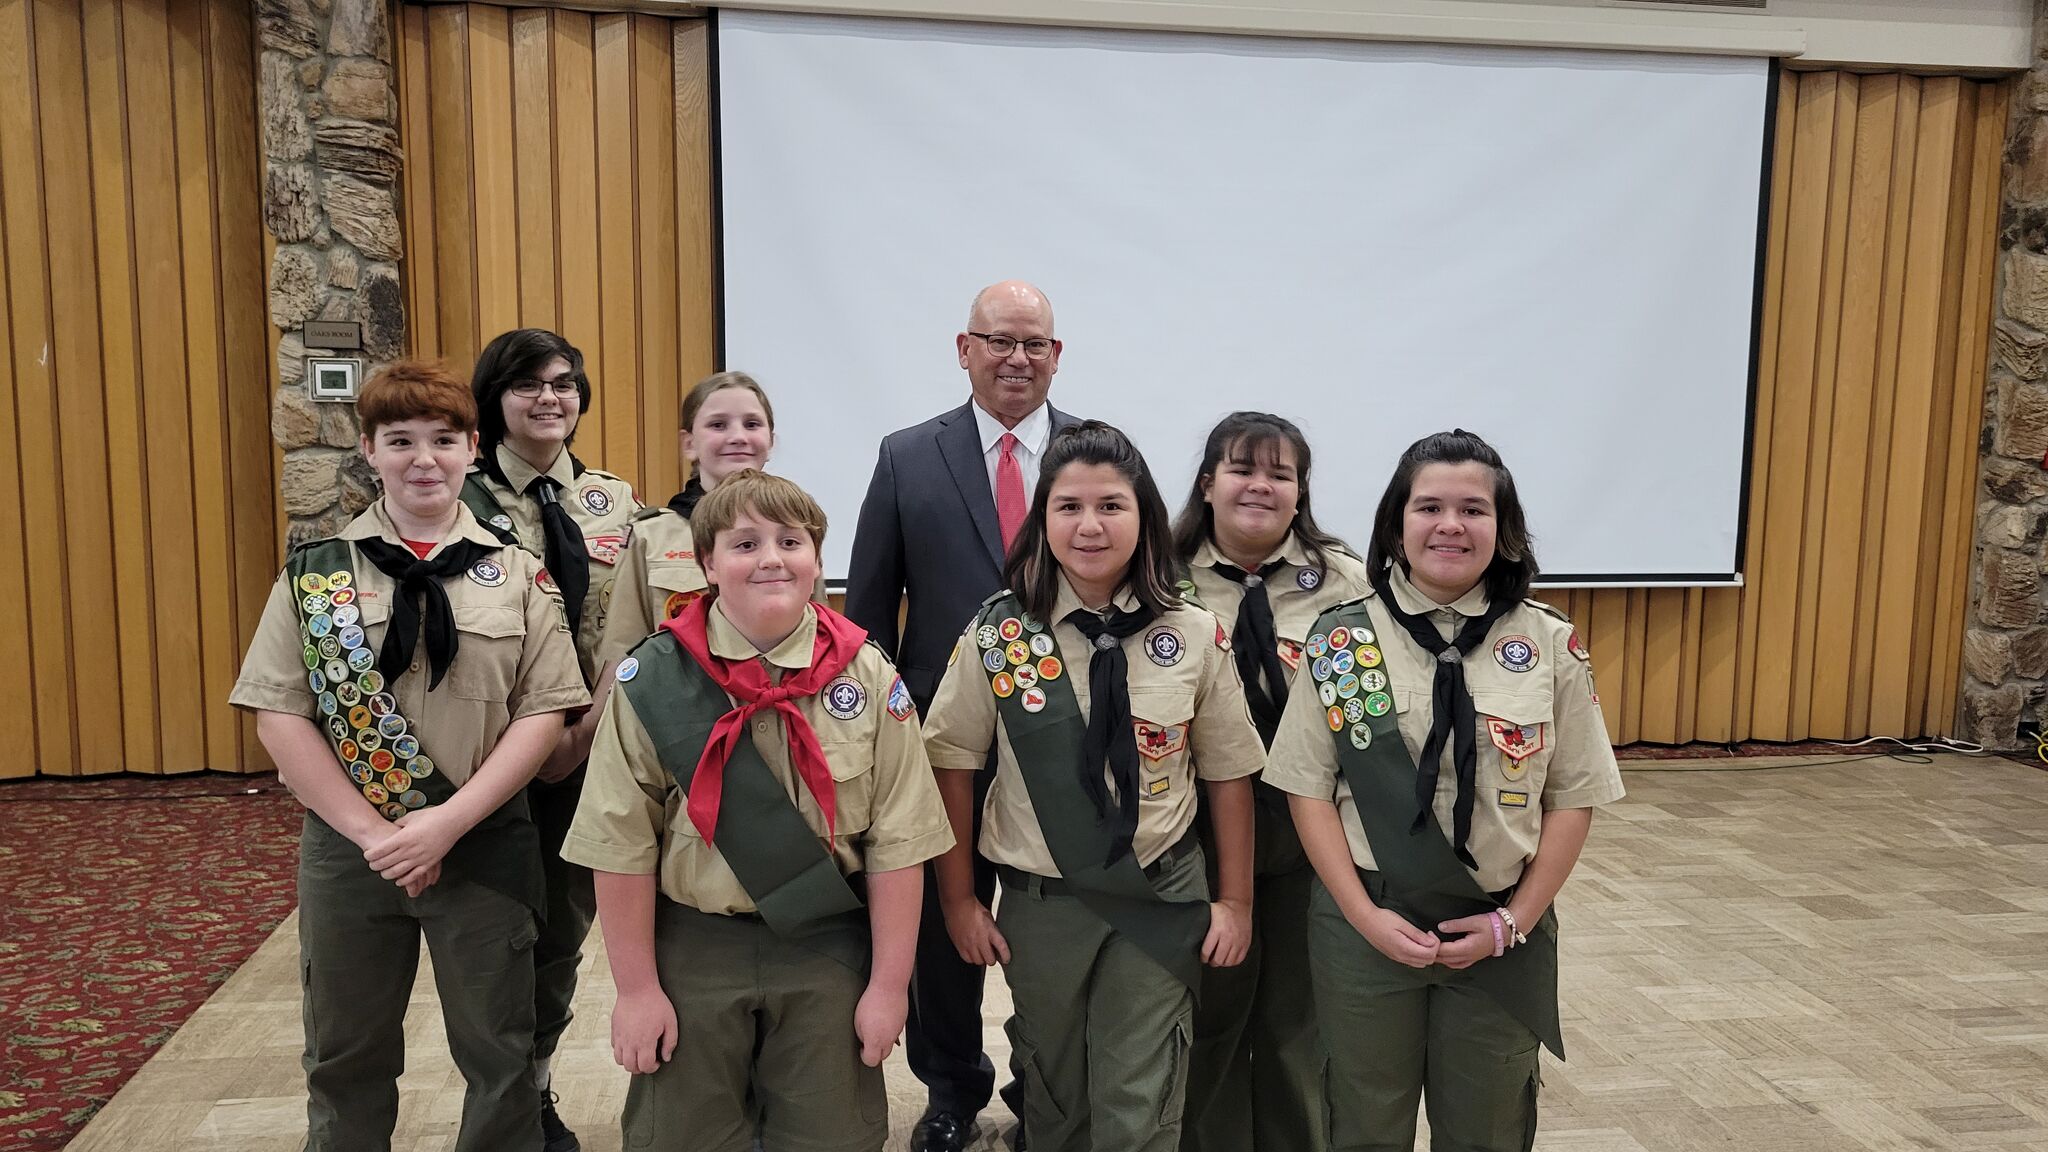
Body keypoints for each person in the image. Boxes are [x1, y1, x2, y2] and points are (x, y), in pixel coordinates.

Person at [229, 359, 590, 1151]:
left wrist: (446, 825)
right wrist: (374, 834)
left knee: (500, 1050)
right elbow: (278, 714)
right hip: (351, 851)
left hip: (484, 841)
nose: (422, 458)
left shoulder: (520, 574)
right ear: (369, 450)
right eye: (400, 440)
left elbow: (544, 712)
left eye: (442, 439)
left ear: (471, 449)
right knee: (345, 1050)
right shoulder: (315, 574)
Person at [562, 469, 955, 1152]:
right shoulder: (654, 679)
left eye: (790, 541)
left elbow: (900, 846)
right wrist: (636, 991)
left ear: (817, 562)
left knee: (830, 1138)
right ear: (707, 563)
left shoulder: (868, 677)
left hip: (825, 951)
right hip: (692, 949)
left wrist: (890, 988)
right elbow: (619, 848)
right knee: (682, 1138)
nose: (771, 558)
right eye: (744, 544)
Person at [1262, 429, 1624, 1151]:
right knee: (1362, 1121)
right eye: (1428, 507)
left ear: (1505, 529)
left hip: (1498, 930)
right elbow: (1307, 792)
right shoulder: (1341, 640)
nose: (1451, 525)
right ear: (1396, 526)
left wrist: (1512, 922)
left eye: (1474, 509)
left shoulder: (1549, 644)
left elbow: (1572, 798)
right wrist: (1363, 917)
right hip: (1367, 926)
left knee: (1488, 1126)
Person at [922, 421, 1263, 1152]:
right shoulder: (1001, 636)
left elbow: (1230, 774)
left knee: (1138, 1101)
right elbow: (950, 765)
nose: (1089, 525)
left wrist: (1234, 901)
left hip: (1161, 897)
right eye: (1069, 506)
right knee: (1056, 1096)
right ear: (1042, 520)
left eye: (1111, 505)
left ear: (1144, 518)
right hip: (1043, 905)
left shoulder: (1194, 633)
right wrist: (958, 899)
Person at [845, 280, 1080, 1152]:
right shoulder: (909, 455)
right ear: (963, 348)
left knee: (1051, 921)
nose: (1017, 358)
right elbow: (869, 608)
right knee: (946, 931)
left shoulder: (1095, 457)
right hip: (935, 739)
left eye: (1034, 344)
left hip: (1065, 737)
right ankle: (951, 1090)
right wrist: (870, 728)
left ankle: (1040, 1089)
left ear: (1058, 356)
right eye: (999, 341)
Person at [1169, 412, 1372, 1152]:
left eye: (1280, 473)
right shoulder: (1160, 575)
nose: (1260, 485)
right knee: (1209, 1018)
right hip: (1197, 836)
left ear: (1299, 491)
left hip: (1310, 838)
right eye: (1241, 468)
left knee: (1297, 1020)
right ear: (1208, 482)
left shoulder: (1345, 580)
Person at [464, 327, 642, 1152]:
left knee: (561, 937)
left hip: (588, 753)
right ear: (494, 397)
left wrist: (587, 725)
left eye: (565, 383)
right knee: (494, 936)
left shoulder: (614, 500)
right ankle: (495, 1102)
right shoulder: (458, 501)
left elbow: (632, 630)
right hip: (489, 757)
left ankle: (534, 1093)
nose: (549, 399)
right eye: (529, 384)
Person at [599, 371, 824, 672]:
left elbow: (821, 634)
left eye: (752, 424)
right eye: (718, 425)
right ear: (689, 443)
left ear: (770, 440)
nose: (738, 437)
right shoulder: (650, 536)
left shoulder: (798, 527)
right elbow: (623, 654)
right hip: (682, 704)